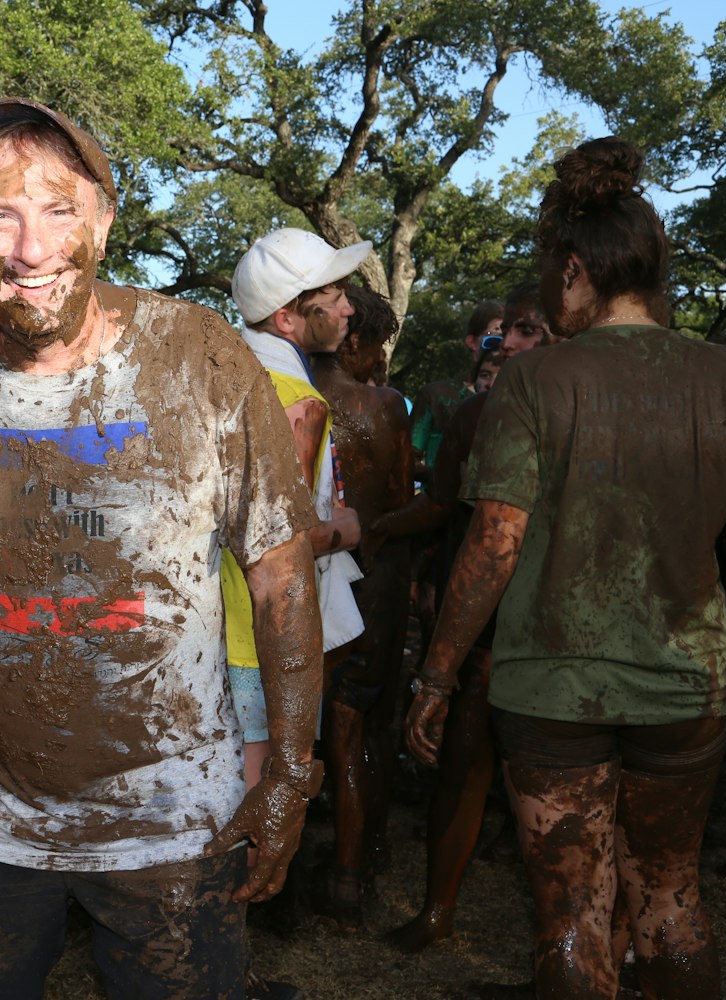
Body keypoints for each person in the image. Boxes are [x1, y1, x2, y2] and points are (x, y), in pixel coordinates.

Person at [0, 98, 324, 999]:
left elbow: (280, 573)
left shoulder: (201, 354)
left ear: (105, 220)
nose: (29, 250)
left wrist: (291, 777)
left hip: (176, 821)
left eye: (58, 210)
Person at [406, 136, 726, 998]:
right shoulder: (723, 377)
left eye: (553, 275)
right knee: (672, 898)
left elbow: (494, 541)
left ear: (578, 270)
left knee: (571, 921)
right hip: (686, 684)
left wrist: (437, 675)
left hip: (553, 691)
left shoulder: (536, 380)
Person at [378, 285, 554, 955]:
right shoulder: (476, 415)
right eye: (506, 331)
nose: (508, 342)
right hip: (482, 618)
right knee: (462, 763)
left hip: (552, 629)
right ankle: (436, 911)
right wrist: (379, 527)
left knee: (551, 789)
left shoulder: (579, 410)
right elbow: (442, 505)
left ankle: (568, 936)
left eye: (528, 331)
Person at [220, 227, 367, 805]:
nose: (350, 309)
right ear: (287, 319)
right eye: (334, 300)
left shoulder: (228, 377)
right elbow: (285, 537)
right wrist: (345, 531)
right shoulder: (292, 396)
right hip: (259, 636)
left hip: (218, 625)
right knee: (265, 793)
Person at [309, 285, 412, 928]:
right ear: (353, 339)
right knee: (354, 731)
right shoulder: (383, 405)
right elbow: (400, 497)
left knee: (286, 728)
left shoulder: (284, 392)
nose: (379, 359)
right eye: (376, 344)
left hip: (296, 580)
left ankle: (297, 863)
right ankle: (350, 877)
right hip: (367, 579)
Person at [408, 299, 502, 474]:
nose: (501, 347)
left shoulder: (524, 398)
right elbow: (407, 464)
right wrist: (446, 479)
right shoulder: (436, 395)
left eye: (506, 339)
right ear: (471, 341)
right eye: (493, 338)